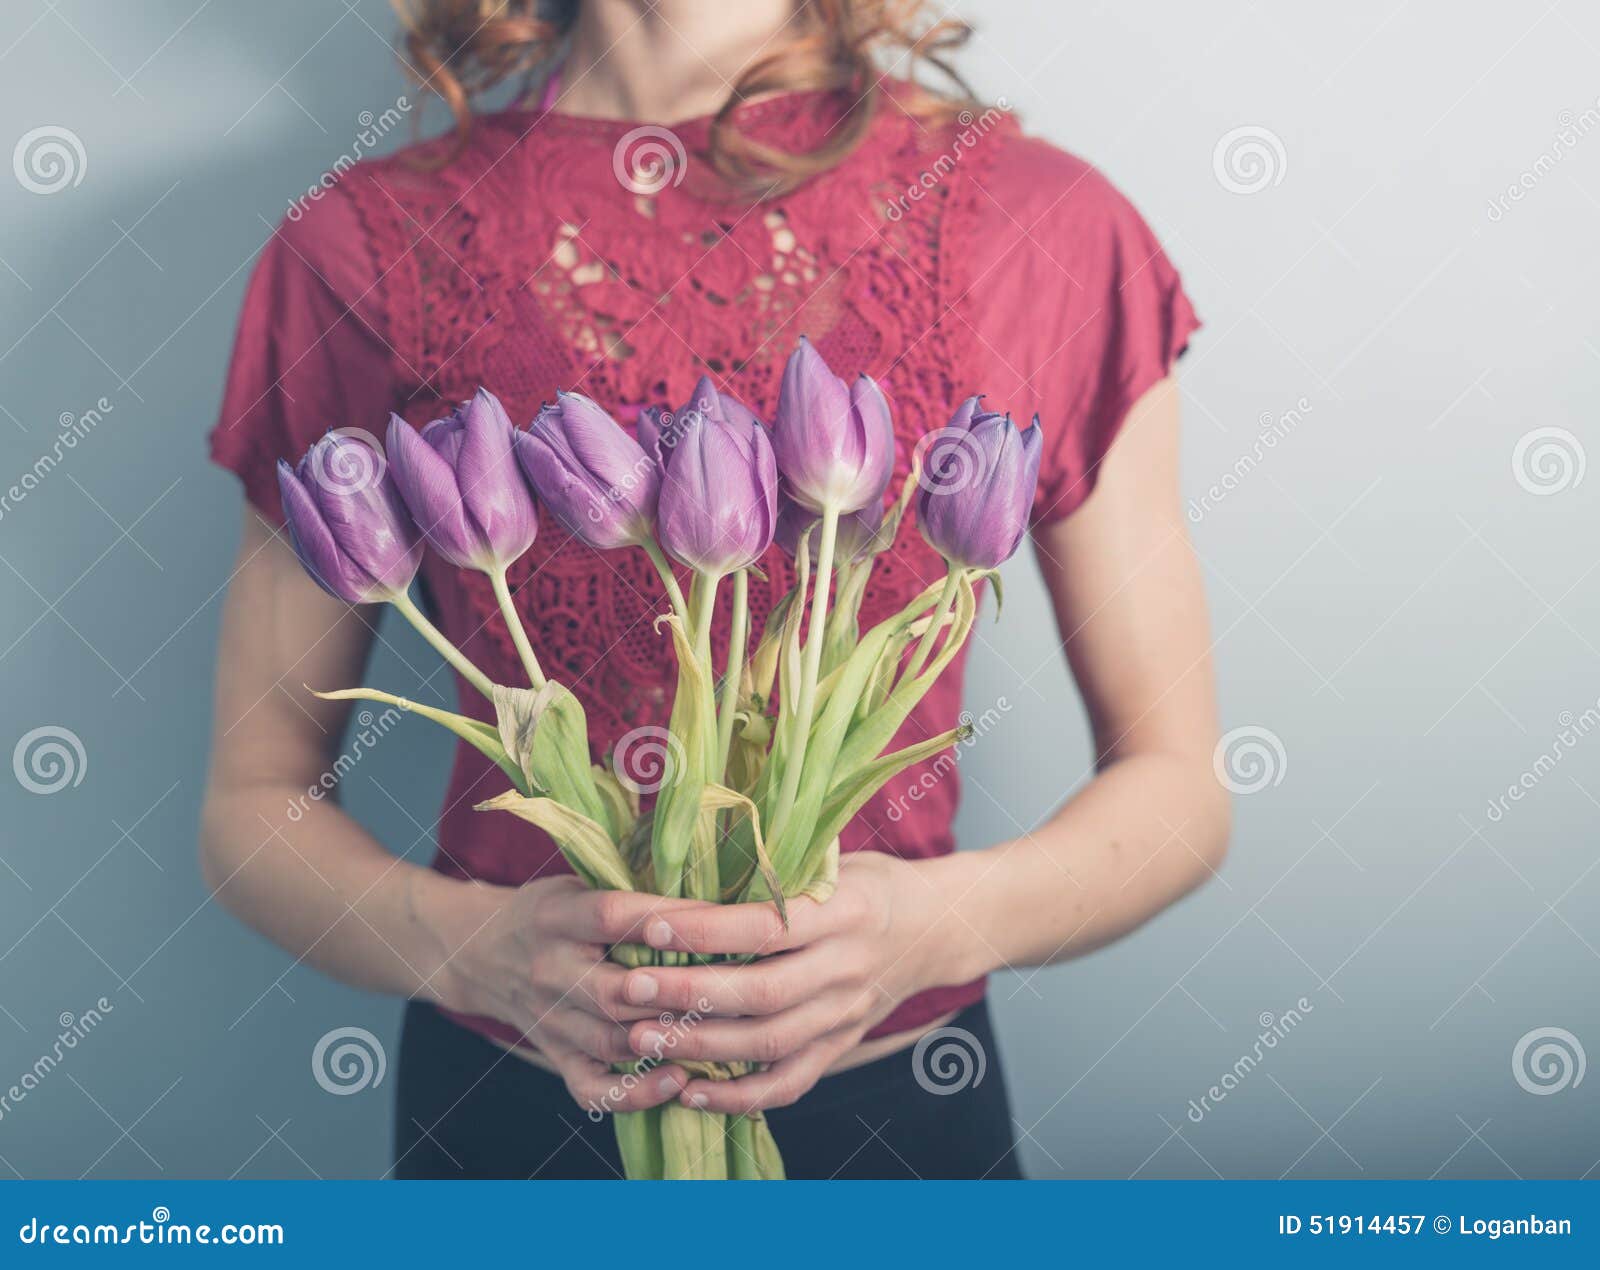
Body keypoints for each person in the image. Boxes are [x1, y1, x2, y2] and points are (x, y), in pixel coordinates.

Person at [201, 0, 1228, 1179]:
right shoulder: (360, 237)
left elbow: (1176, 790)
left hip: (894, 1119)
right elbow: (252, 808)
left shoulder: (1038, 220)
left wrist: (933, 927)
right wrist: (476, 951)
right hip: (504, 1118)